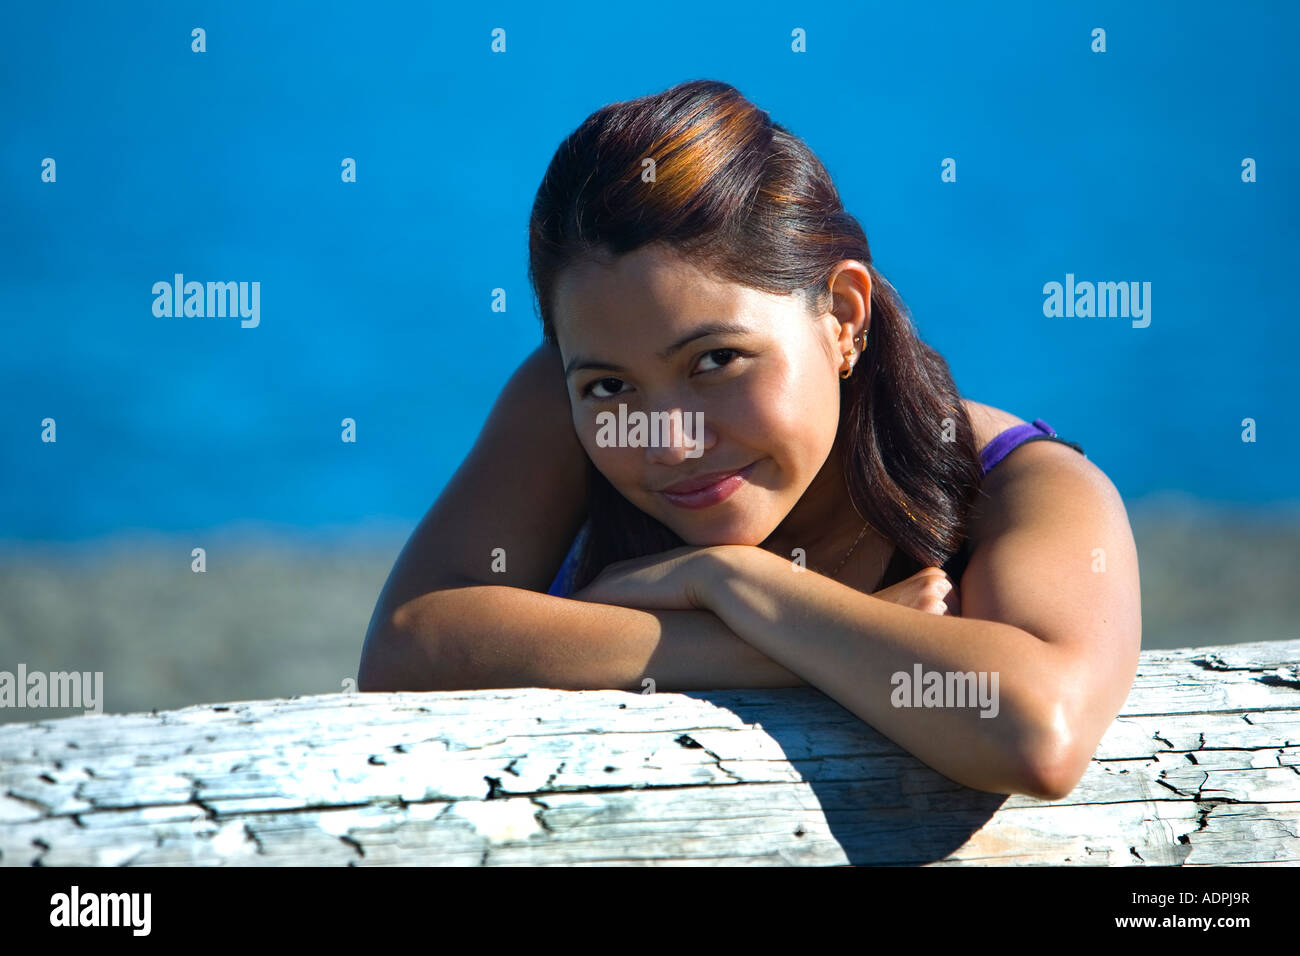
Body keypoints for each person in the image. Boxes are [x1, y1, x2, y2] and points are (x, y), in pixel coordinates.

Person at [358, 79, 1141, 801]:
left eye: (716, 361)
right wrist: (813, 639)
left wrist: (732, 580)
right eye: (608, 386)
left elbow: (1035, 732)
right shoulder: (560, 403)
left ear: (843, 315)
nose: (666, 441)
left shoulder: (1018, 484)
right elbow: (407, 647)